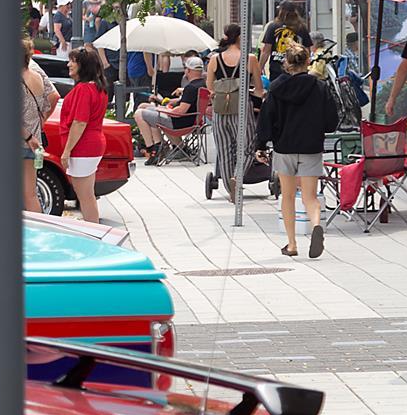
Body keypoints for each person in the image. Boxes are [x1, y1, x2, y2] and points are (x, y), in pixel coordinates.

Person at [257, 45, 334, 259]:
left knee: (288, 196)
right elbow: (331, 121)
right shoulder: (320, 87)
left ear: (286, 63)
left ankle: (292, 244)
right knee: (310, 196)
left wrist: (261, 145)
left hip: (285, 147)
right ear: (307, 62)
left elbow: (266, 118)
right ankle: (316, 224)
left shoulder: (276, 88)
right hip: (311, 147)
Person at [205, 23, 262, 203]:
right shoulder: (250, 58)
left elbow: (209, 86)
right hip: (242, 108)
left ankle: (232, 191)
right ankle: (237, 179)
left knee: (224, 150)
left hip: (220, 109)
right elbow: (259, 89)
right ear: (240, 37)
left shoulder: (215, 59)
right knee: (246, 148)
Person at [58, 46, 108, 223]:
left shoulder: (84, 90)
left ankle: (93, 232)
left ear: (83, 65)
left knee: (84, 195)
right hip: (91, 144)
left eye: (73, 61)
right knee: (87, 194)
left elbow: (80, 122)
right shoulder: (97, 87)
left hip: (83, 147)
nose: (69, 64)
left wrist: (67, 151)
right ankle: (92, 228)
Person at [133, 56, 205, 164]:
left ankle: (153, 148)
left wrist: (162, 110)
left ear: (188, 70)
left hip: (178, 122)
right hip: (190, 119)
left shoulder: (190, 88)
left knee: (139, 114)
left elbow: (180, 111)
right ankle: (160, 145)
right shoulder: (201, 85)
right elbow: (186, 103)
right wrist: (167, 104)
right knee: (144, 106)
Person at [19, 39, 59, 214]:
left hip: (20, 140)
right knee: (31, 194)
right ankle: (38, 229)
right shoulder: (37, 76)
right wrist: (42, 119)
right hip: (33, 142)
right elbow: (53, 97)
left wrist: (26, 135)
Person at [260, 1, 314, 83]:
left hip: (276, 70)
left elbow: (266, 51)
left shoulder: (273, 26)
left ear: (281, 11)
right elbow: (307, 50)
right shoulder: (301, 27)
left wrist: (259, 68)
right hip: (298, 70)